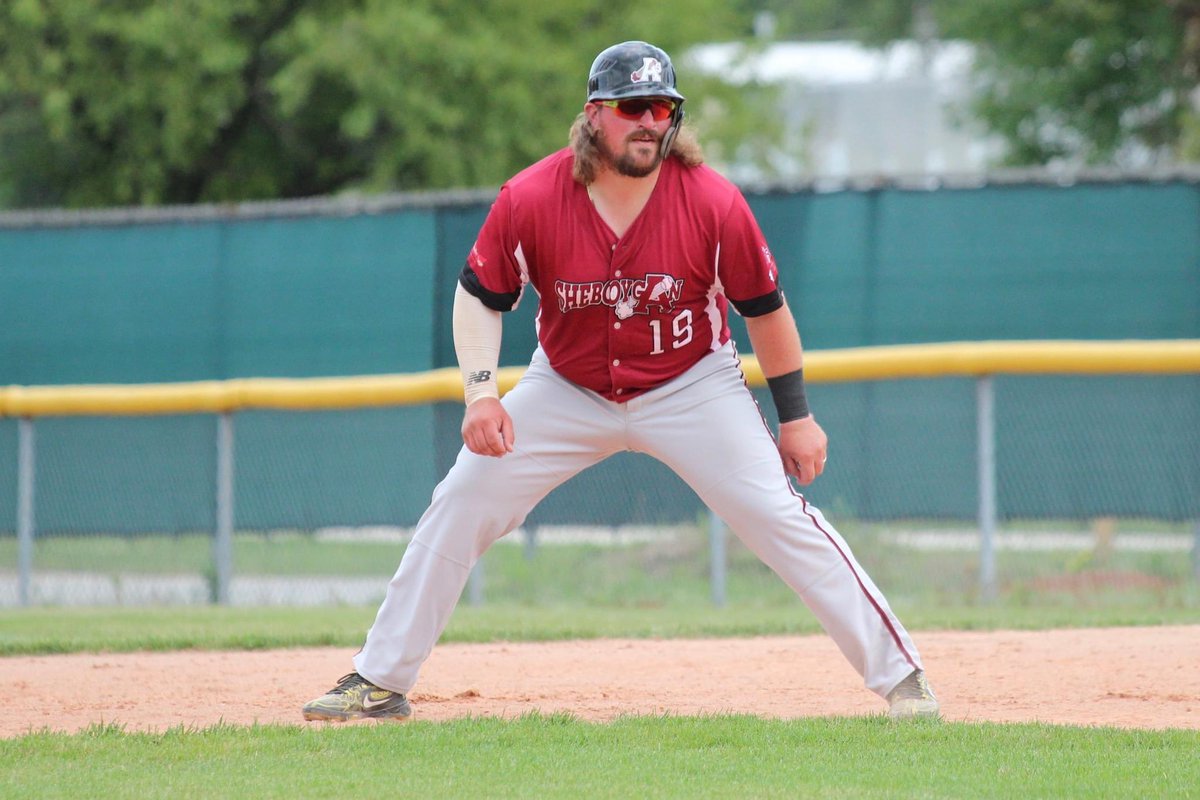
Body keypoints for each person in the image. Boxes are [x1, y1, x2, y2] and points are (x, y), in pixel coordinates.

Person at [302, 40, 938, 723]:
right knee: (462, 498)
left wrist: (797, 416)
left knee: (779, 518)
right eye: (634, 106)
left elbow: (766, 312)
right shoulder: (534, 197)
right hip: (567, 387)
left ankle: (902, 678)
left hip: (691, 385)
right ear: (593, 116)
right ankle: (378, 681)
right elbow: (480, 294)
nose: (651, 121)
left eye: (663, 107)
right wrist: (481, 393)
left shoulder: (712, 203)